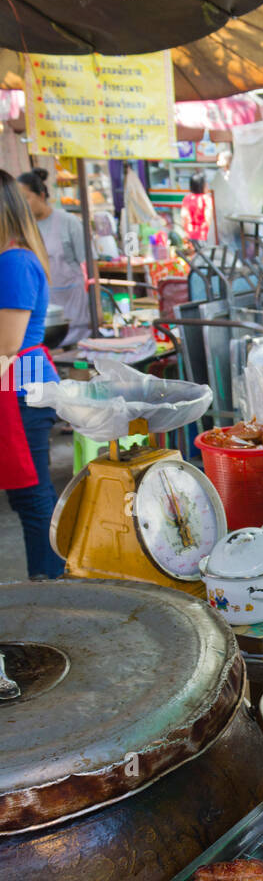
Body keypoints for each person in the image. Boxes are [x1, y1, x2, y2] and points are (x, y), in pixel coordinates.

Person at [0, 170, 65, 578]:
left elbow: (7, 342)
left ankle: (49, 585)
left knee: (32, 495)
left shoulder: (15, 262)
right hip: (17, 387)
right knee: (26, 495)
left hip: (22, 389)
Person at [18, 167, 90, 348]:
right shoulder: (23, 228)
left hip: (73, 306)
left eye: (27, 198)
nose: (23, 205)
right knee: (47, 360)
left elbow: (89, 263)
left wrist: (95, 306)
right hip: (43, 311)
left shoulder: (68, 222)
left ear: (41, 195)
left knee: (77, 360)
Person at [180, 172, 214, 243]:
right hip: (204, 236)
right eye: (205, 183)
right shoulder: (206, 199)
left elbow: (183, 218)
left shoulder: (187, 198)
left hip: (190, 235)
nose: (207, 185)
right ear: (202, 185)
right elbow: (208, 218)